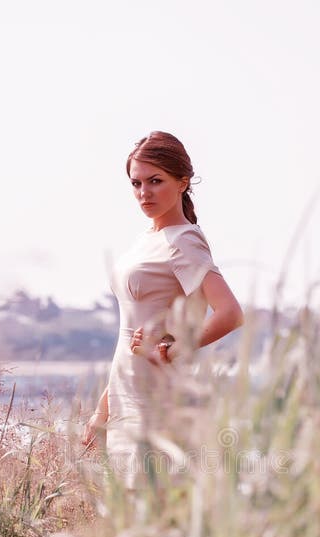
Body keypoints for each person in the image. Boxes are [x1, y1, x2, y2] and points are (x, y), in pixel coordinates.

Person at [82, 131, 244, 489]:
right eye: (136, 183)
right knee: (127, 506)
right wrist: (102, 410)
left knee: (151, 502)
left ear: (182, 182)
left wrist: (174, 349)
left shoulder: (184, 240)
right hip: (125, 393)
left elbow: (230, 313)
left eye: (155, 181)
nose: (144, 193)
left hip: (157, 397)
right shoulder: (146, 240)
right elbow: (129, 335)